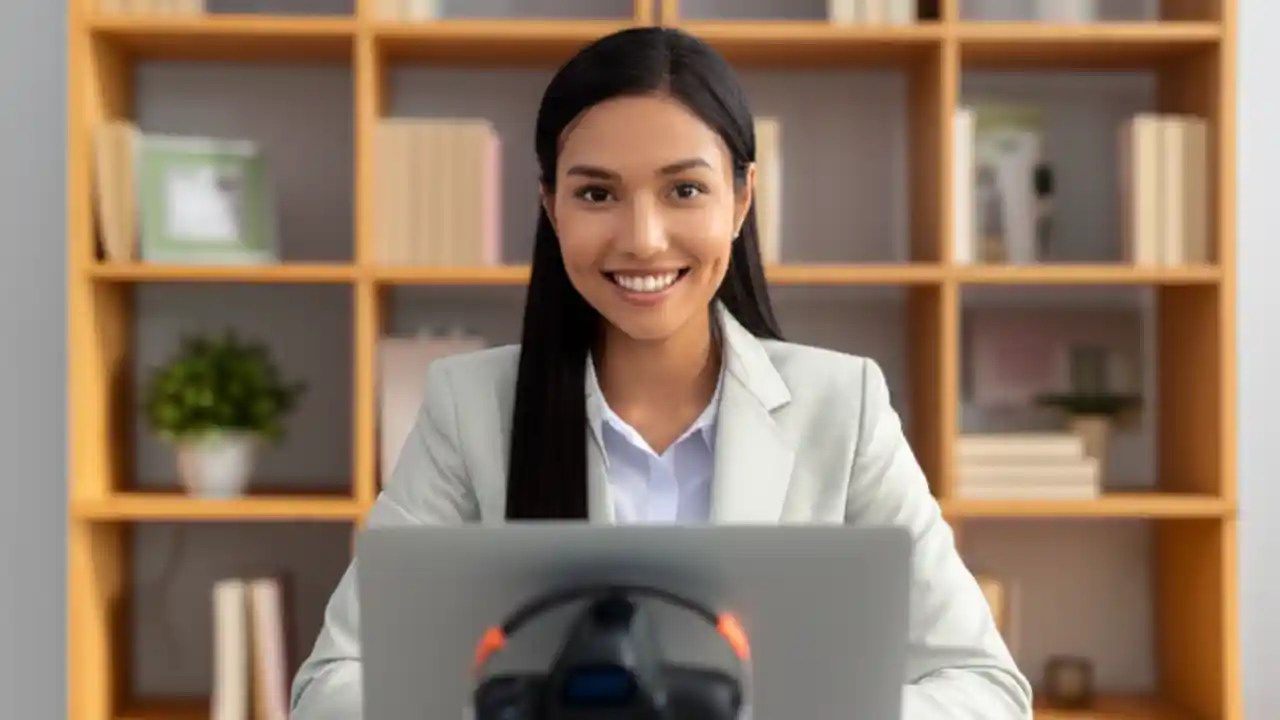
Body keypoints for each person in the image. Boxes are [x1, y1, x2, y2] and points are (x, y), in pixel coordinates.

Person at [289, 25, 1033, 719]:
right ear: (550, 206)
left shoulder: (843, 405)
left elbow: (985, 689)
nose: (643, 240)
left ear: (741, 199)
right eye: (597, 193)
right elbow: (332, 685)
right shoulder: (470, 407)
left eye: (684, 190)